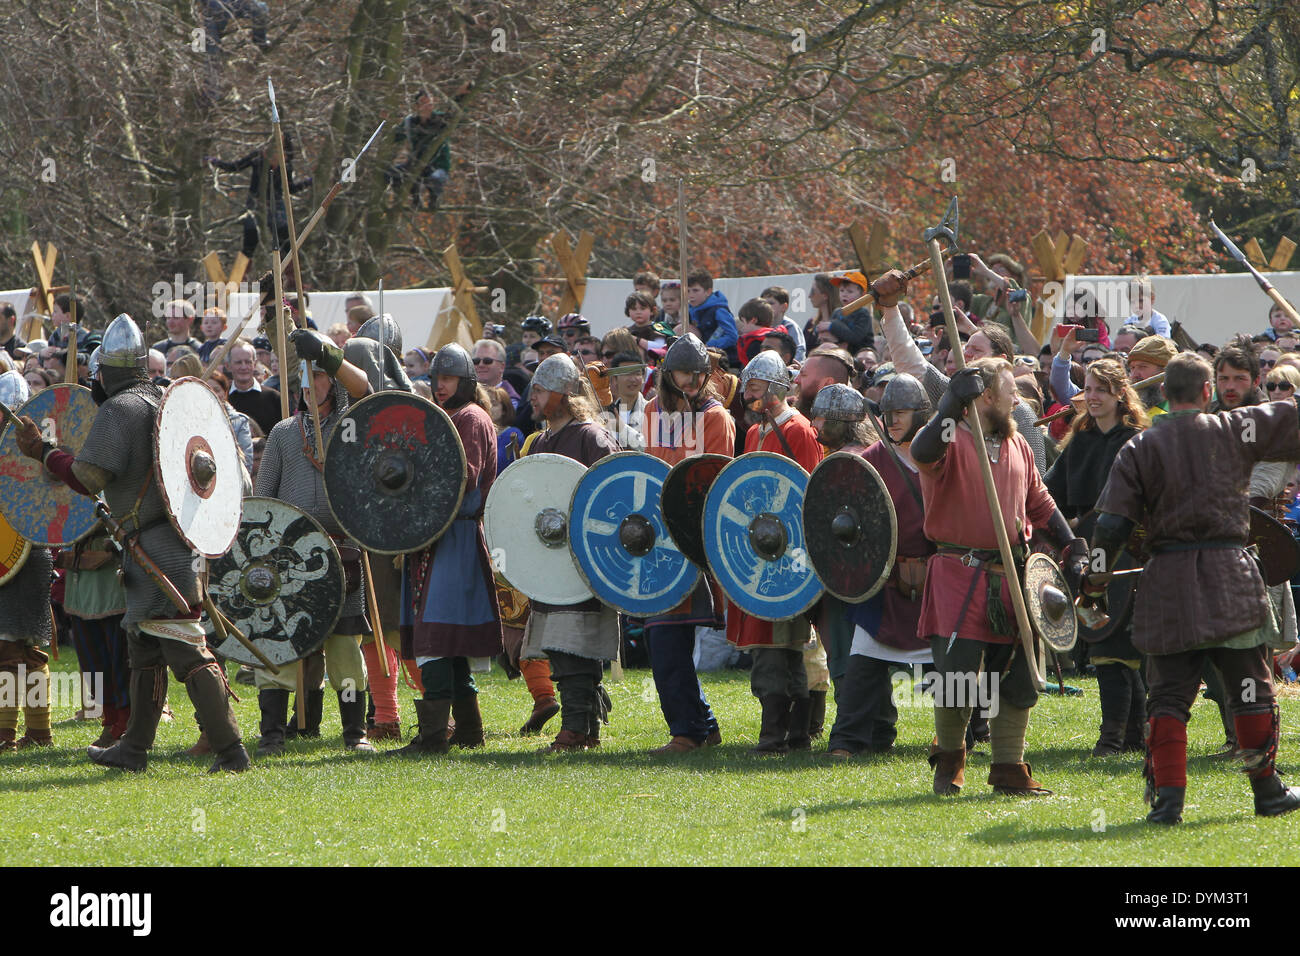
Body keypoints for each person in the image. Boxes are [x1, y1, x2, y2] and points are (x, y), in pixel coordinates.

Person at [14, 314, 250, 773]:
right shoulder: (163, 401)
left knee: (184, 647)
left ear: (108, 372)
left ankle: (231, 750)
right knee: (142, 647)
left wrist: (43, 451)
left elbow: (88, 476)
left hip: (155, 546)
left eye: (97, 372)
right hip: (162, 543)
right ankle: (134, 748)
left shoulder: (121, 409)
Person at [1087, 352, 1300, 823]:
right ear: (1208, 393)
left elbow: (1110, 526)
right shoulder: (1235, 428)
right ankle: (1266, 793)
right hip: (1231, 578)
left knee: (1167, 698)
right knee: (1250, 690)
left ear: (1164, 394)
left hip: (1168, 585)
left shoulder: (1139, 448)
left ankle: (1168, 804)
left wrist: (1096, 583)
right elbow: (1293, 415)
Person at [908, 354, 1087, 797]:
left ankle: (1009, 768)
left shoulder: (1018, 444)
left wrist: (1071, 544)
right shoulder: (951, 438)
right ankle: (949, 761)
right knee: (958, 676)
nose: (1017, 396)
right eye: (1010, 389)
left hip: (1013, 572)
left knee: (1021, 674)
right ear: (987, 396)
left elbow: (1040, 503)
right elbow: (921, 451)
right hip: (958, 571)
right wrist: (948, 403)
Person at [251, 328, 376, 755]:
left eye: (318, 377)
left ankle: (354, 733)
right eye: (303, 378)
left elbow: (367, 388)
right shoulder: (284, 433)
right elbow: (265, 496)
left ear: (332, 382)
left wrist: (325, 354)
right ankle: (272, 733)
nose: (309, 386)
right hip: (289, 555)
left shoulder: (352, 428)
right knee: (281, 643)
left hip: (342, 552)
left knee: (343, 649)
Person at [392, 345, 504, 754]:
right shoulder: (445, 416)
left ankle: (434, 736)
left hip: (454, 537)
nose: (440, 385)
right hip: (434, 538)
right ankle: (470, 732)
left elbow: (463, 478)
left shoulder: (470, 418)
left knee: (438, 637)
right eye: (437, 378)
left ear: (466, 381)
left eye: (449, 378)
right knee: (448, 641)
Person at [1044, 359, 1149, 755]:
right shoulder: (1081, 439)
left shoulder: (1137, 441)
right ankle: (1133, 736)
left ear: (1121, 394)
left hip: (1128, 548)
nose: (1093, 397)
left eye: (1101, 389)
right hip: (1089, 548)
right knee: (1107, 639)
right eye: (1088, 389)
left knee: (1115, 644)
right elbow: (1050, 493)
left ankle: (1114, 737)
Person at [827, 373, 935, 757]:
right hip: (883, 584)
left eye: (901, 412)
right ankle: (848, 739)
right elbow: (842, 519)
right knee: (863, 665)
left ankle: (964, 735)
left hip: (935, 585)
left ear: (922, 414)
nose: (892, 420)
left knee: (949, 669)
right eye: (887, 412)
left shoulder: (942, 458)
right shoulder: (868, 462)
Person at [518, 355, 621, 751]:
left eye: (541, 390)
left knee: (575, 643)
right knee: (559, 647)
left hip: (583, 561)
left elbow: (611, 494)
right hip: (551, 560)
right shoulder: (541, 441)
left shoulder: (590, 436)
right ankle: (583, 726)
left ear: (563, 394)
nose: (534, 396)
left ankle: (578, 728)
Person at [640, 334, 734, 752]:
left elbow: (713, 478)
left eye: (699, 372)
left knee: (669, 633)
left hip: (695, 538)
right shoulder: (650, 411)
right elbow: (647, 472)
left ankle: (688, 731)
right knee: (661, 635)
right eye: (684, 372)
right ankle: (699, 725)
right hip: (658, 539)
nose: (693, 379)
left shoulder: (716, 417)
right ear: (667, 374)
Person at [727, 351, 824, 754]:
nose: (748, 392)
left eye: (755, 385)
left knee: (783, 643)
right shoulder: (753, 433)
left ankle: (782, 735)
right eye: (747, 385)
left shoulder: (799, 430)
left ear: (777, 387)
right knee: (768, 642)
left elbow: (808, 496)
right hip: (758, 553)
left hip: (790, 556)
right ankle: (788, 733)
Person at [0, 371, 55, 750]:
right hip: (6, 553)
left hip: (28, 553)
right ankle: (33, 732)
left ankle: (24, 732)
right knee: (16, 648)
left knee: (18, 648)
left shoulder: (40, 449)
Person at [208, 133, 312, 258]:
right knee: (249, 245)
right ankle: (241, 275)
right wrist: (215, 162)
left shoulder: (286, 164)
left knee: (286, 244)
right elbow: (235, 167)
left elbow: (290, 188)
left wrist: (310, 182)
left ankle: (289, 275)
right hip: (256, 203)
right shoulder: (258, 156)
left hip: (276, 204)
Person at [385, 87, 463, 211]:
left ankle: (434, 201)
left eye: (430, 103)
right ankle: (412, 199)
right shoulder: (410, 122)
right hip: (417, 165)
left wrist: (461, 95)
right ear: (417, 105)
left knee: (436, 179)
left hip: (438, 165)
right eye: (423, 102)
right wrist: (387, 125)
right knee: (391, 173)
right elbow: (394, 137)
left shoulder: (441, 120)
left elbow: (457, 115)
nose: (427, 106)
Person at [226, 339, 283, 434]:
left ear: (255, 364)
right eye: (238, 362)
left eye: (248, 362)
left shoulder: (274, 398)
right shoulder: (223, 398)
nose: (244, 367)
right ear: (228, 366)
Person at [685, 270, 738, 365]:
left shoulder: (719, 310)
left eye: (695, 290)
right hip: (703, 358)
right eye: (688, 291)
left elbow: (732, 336)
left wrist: (709, 345)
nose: (691, 295)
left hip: (724, 360)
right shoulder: (689, 310)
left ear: (708, 292)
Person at [760, 286, 807, 362]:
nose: (766, 306)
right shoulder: (762, 326)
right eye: (764, 303)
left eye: (771, 303)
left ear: (784, 307)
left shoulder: (790, 326)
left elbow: (799, 350)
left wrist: (792, 367)